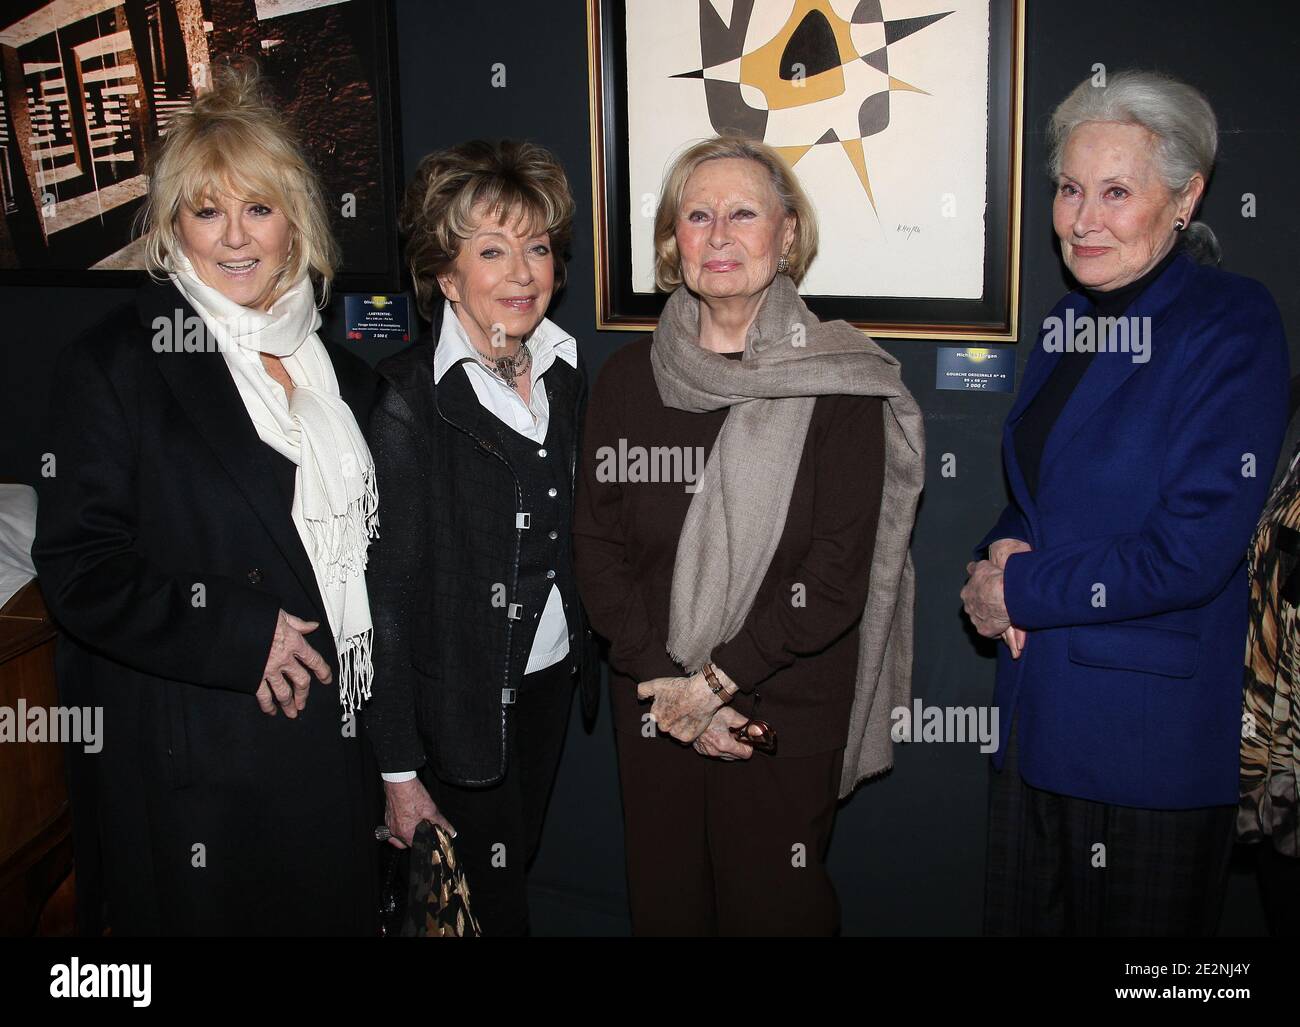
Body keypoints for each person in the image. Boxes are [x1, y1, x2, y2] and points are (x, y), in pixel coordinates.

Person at [32, 64, 380, 935]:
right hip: (202, 767)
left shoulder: (341, 376)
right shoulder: (115, 363)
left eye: (258, 208)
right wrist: (238, 631)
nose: (235, 237)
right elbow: (79, 571)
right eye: (206, 210)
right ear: (171, 227)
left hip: (334, 743)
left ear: (294, 221)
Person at [963, 70, 1289, 936]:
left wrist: (1019, 591)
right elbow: (1036, 500)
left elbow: (1193, 548)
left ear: (1187, 198)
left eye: (1116, 191)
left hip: (1148, 754)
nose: (1083, 218)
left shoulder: (1232, 324)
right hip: (1036, 725)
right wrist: (991, 559)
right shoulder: (1064, 323)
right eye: (1071, 189)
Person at [573, 135, 924, 936]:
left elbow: (835, 577)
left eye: (743, 213)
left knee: (777, 909)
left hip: (784, 707)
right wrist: (674, 686)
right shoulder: (628, 381)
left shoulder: (839, 381)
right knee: (667, 908)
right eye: (697, 216)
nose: (719, 234)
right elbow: (597, 547)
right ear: (673, 241)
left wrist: (717, 686)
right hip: (654, 700)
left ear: (788, 234)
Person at [364, 139, 598, 936]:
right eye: (492, 250)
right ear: (444, 273)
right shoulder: (406, 402)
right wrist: (398, 770)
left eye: (537, 248)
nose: (523, 273)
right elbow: (385, 603)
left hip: (548, 684)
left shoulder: (566, 374)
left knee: (511, 868)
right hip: (454, 703)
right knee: (481, 909)